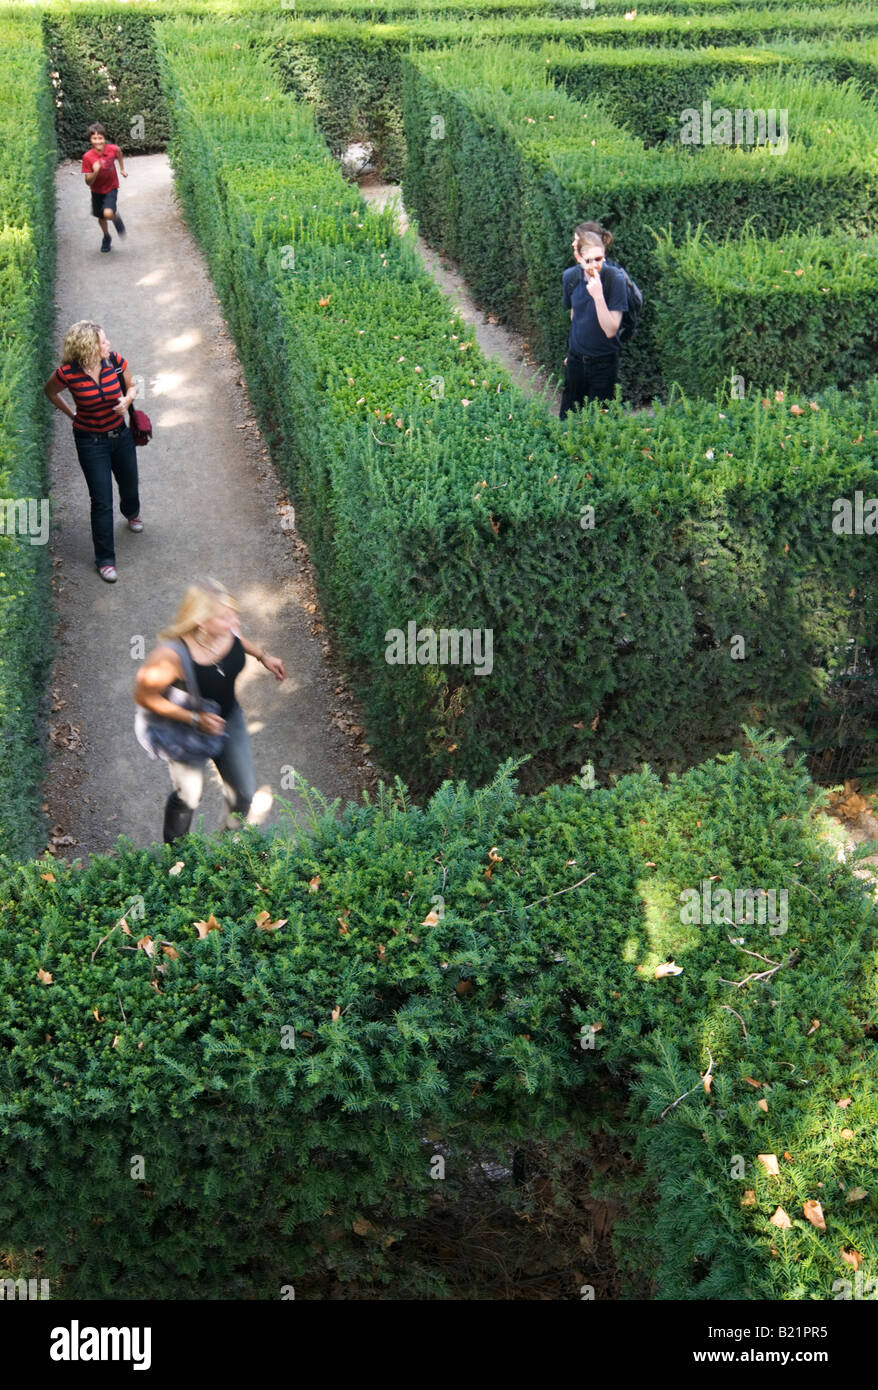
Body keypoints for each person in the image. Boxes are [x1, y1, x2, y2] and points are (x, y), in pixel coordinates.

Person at [133, 580, 286, 844]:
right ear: (201, 622)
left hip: (229, 718)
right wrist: (194, 718)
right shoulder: (170, 655)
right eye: (224, 616)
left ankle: (223, 854)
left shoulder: (228, 629)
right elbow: (143, 696)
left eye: (233, 612)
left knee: (244, 794)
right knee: (189, 796)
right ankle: (176, 856)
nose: (233, 621)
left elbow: (236, 639)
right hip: (186, 730)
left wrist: (263, 656)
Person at [44, 320, 142, 583]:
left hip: (120, 436)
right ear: (89, 347)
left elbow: (132, 386)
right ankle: (105, 560)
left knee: (130, 483)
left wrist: (127, 401)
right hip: (90, 442)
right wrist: (71, 413)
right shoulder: (67, 373)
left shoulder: (115, 361)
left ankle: (131, 512)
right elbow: (49, 391)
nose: (108, 344)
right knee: (101, 501)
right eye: (103, 341)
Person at [559, 221, 628, 419]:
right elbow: (575, 316)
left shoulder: (614, 279)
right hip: (576, 361)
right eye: (588, 260)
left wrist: (598, 296)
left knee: (601, 423)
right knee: (568, 420)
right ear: (578, 257)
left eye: (599, 259)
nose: (594, 265)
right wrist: (571, 351)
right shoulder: (570, 277)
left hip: (603, 365)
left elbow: (610, 330)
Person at [82, 122, 127, 253]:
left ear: (104, 138)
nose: (98, 141)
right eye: (94, 138)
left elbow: (119, 151)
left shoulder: (112, 149)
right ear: (90, 139)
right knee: (101, 217)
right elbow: (88, 182)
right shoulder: (87, 157)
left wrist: (122, 168)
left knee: (107, 213)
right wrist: (95, 171)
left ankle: (115, 218)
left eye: (100, 138)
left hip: (111, 187)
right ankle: (106, 237)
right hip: (96, 191)